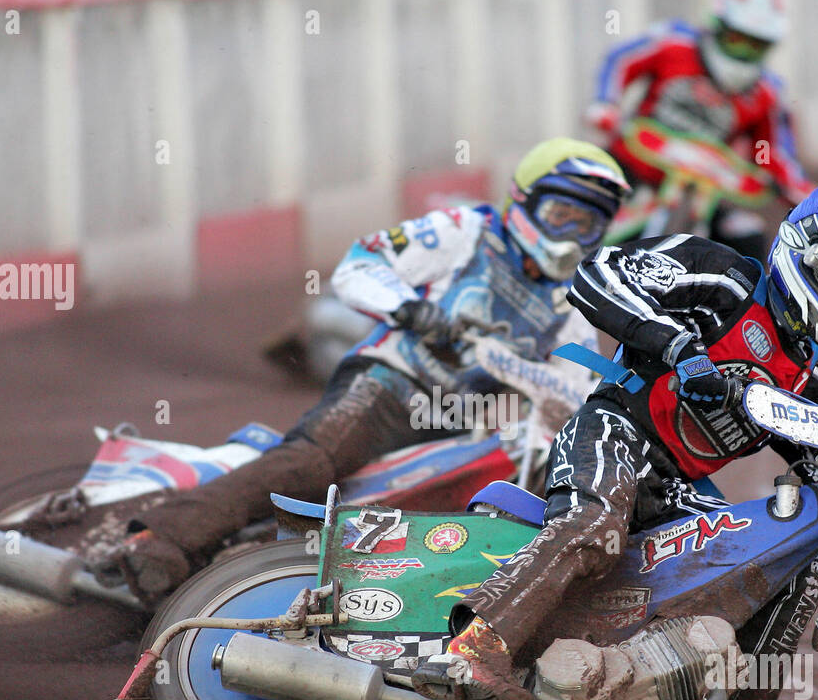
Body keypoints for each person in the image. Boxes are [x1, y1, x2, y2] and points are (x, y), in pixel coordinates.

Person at [413, 184, 818, 700]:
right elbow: (596, 275)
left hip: (679, 487)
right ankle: (474, 647)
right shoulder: (722, 276)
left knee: (794, 564)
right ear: (801, 249)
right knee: (596, 526)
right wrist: (680, 347)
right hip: (613, 430)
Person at [92, 138, 630, 605]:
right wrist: (408, 308)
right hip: (391, 386)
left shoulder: (570, 304)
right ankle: (161, 538)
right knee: (311, 463)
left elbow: (582, 387)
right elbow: (361, 264)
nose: (571, 234)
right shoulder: (466, 230)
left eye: (589, 224)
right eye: (563, 215)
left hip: (469, 420)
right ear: (524, 200)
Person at [586, 0, 813, 258]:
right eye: (736, 39)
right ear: (717, 26)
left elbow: (769, 152)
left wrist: (801, 193)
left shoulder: (766, 94)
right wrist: (606, 104)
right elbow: (621, 60)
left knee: (746, 235)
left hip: (700, 190)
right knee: (581, 201)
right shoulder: (673, 45)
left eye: (756, 45)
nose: (743, 52)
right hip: (632, 166)